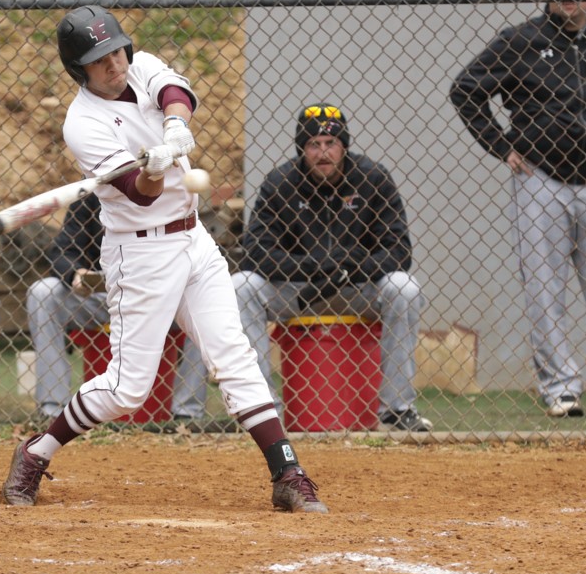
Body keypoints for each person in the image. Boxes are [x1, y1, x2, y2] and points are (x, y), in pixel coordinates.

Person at [1, 6, 328, 513]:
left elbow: (175, 95)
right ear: (78, 70)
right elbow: (140, 193)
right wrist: (152, 167)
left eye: (117, 51)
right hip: (141, 251)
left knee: (233, 355)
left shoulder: (142, 64)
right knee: (129, 390)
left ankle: (287, 473)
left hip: (194, 240)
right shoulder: (82, 125)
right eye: (99, 60)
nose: (114, 64)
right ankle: (35, 453)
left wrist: (174, 129)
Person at [450, 0, 586, 417]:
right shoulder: (521, 40)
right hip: (541, 180)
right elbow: (466, 89)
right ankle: (561, 387)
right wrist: (502, 147)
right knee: (544, 288)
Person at [173, 103, 431, 433]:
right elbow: (257, 253)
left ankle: (398, 409)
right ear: (302, 149)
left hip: (356, 287)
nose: (323, 152)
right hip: (299, 289)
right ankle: (264, 411)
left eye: (331, 143)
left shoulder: (373, 178)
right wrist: (313, 266)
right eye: (313, 144)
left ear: (344, 146)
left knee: (403, 286)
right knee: (241, 286)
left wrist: (351, 268)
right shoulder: (281, 182)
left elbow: (399, 251)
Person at [25, 193, 109, 421]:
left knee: (199, 294)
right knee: (43, 292)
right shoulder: (93, 190)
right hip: (102, 295)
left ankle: (188, 411)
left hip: (157, 293)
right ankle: (53, 409)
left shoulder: (169, 184)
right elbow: (64, 250)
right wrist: (75, 273)